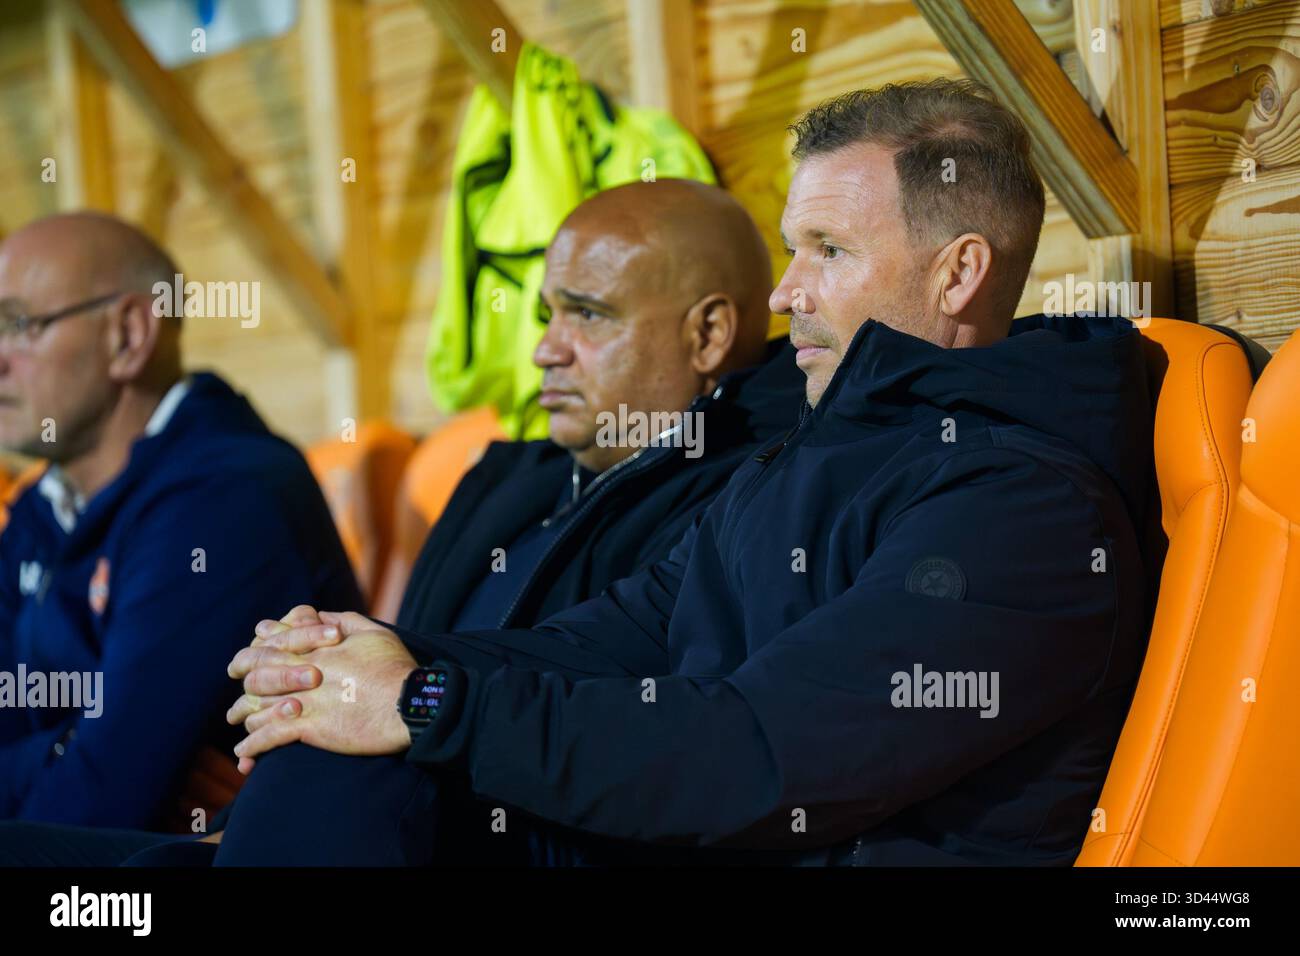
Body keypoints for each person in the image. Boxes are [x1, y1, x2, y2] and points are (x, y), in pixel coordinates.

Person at [213, 78, 1157, 866]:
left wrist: (425, 705)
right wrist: (357, 658)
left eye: (828, 251)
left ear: (957, 275)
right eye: (794, 248)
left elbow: (756, 758)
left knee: (352, 768)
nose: (789, 292)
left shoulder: (1025, 511)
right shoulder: (811, 461)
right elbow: (603, 643)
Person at [0, 180, 802, 864]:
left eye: (588, 316)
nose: (545, 351)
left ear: (708, 333)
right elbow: (385, 665)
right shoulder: (504, 479)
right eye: (548, 314)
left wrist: (356, 703)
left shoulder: (748, 499)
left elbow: (653, 745)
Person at [0, 213, 362, 831]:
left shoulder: (226, 495)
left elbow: (102, 804)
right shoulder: (44, 502)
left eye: (18, 325)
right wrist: (64, 748)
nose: (1, 358)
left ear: (129, 335)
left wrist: (76, 756)